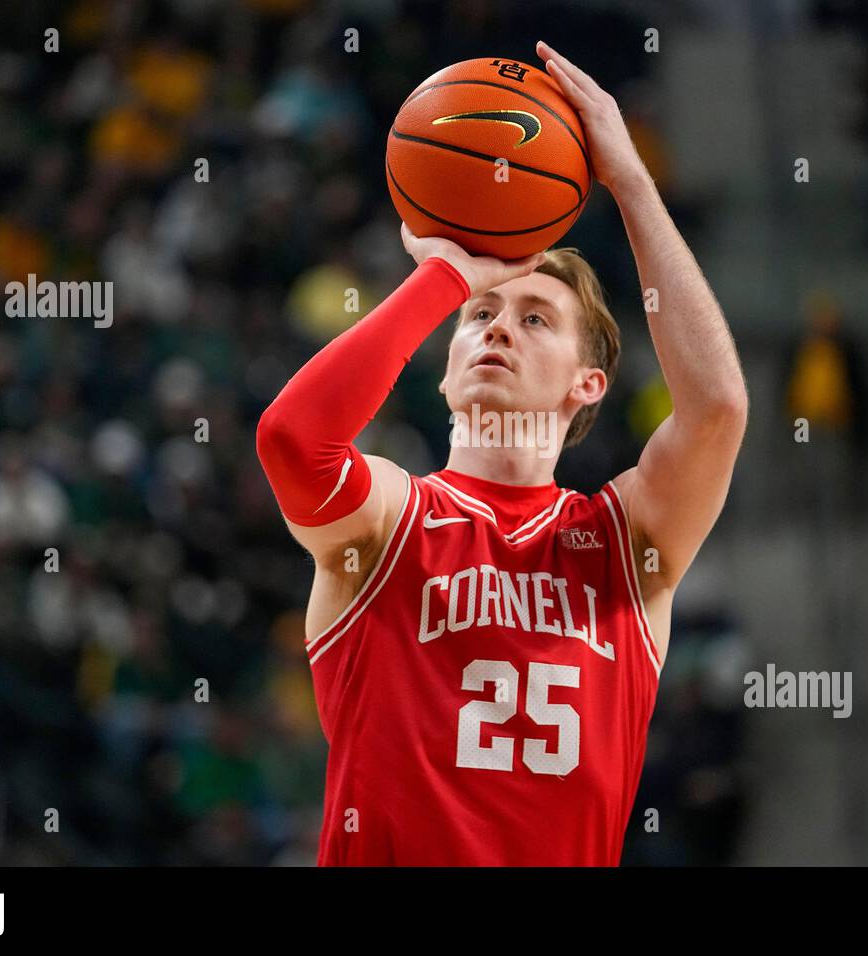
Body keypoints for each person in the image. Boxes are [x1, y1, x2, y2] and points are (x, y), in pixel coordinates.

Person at [255, 41, 748, 865]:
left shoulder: (623, 544)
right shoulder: (389, 520)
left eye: (535, 318)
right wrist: (447, 277)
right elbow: (291, 439)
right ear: (445, 373)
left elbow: (718, 410)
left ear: (589, 384)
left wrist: (628, 181)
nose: (495, 329)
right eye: (479, 316)